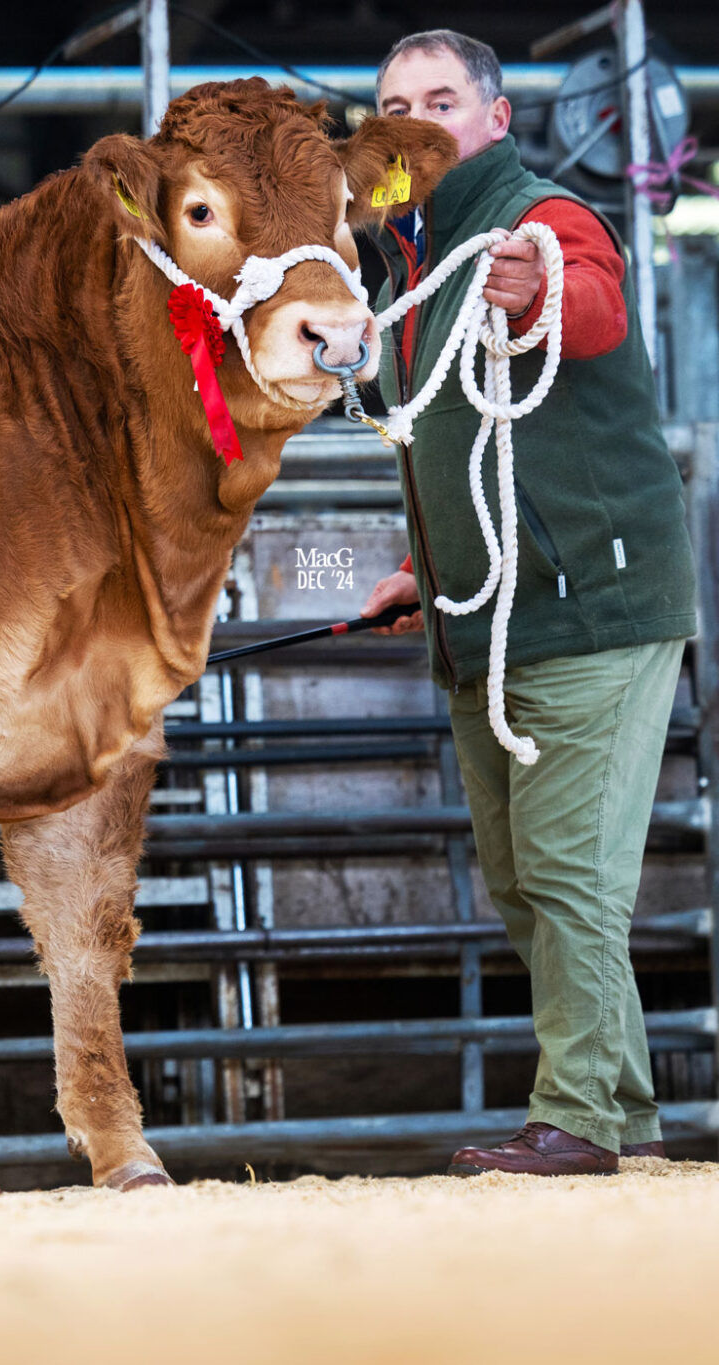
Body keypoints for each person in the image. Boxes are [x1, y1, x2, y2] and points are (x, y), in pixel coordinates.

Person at [358, 29, 698, 1177]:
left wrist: (535, 288)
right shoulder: (409, 263)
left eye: (439, 100)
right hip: (488, 615)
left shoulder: (539, 223)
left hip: (586, 603)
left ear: (494, 119)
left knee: (563, 875)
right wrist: (423, 568)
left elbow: (591, 303)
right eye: (394, 106)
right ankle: (624, 1118)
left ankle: (576, 1119)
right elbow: (452, 445)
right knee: (525, 884)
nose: (414, 122)